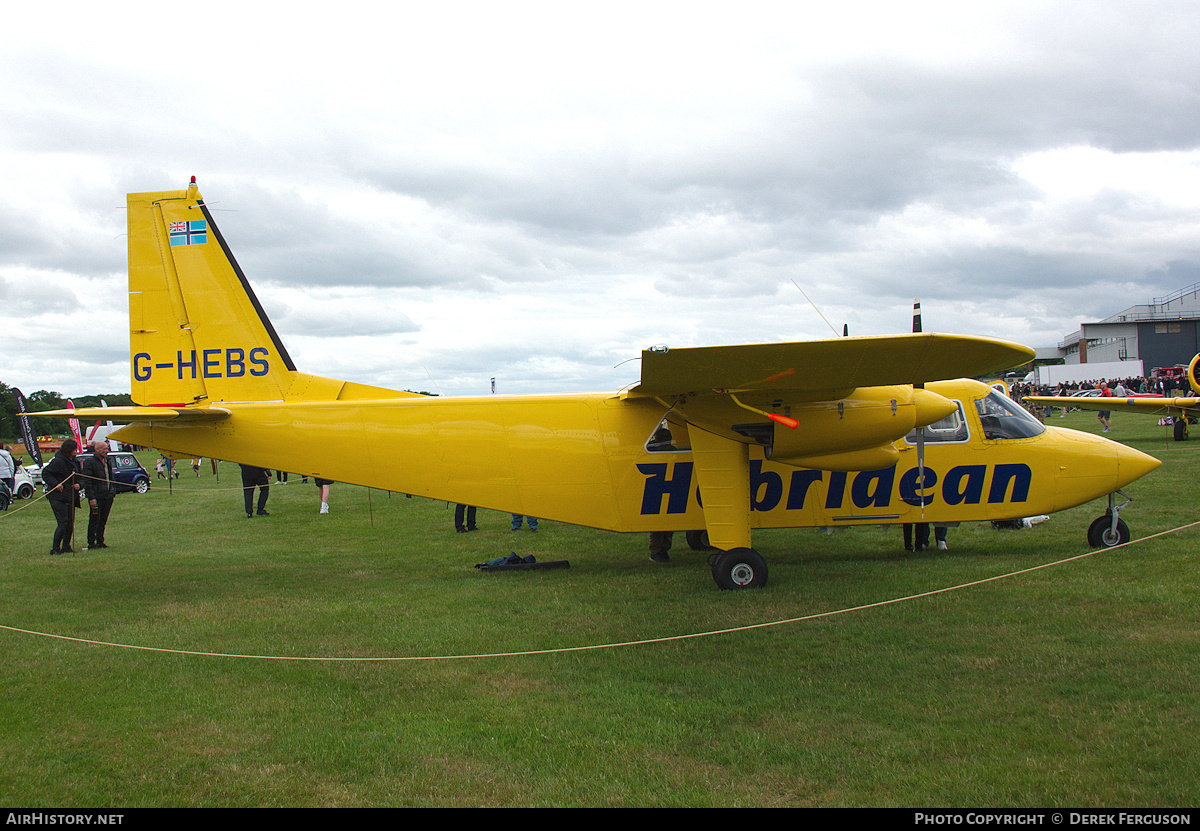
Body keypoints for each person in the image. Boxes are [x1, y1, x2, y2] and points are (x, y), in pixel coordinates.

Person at [42, 439, 81, 555]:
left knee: (70, 523)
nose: (76, 451)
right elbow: (46, 473)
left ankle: (66, 546)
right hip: (57, 497)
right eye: (74, 449)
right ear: (69, 450)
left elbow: (80, 476)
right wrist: (56, 483)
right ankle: (55, 548)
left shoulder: (75, 462)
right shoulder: (58, 461)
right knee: (63, 522)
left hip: (71, 495)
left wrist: (80, 484)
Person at [80, 440, 117, 550]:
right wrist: (91, 497)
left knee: (103, 520)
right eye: (104, 449)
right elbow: (88, 482)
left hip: (108, 495)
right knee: (94, 519)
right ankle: (91, 542)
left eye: (107, 448)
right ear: (97, 450)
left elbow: (110, 477)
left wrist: (112, 490)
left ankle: (100, 540)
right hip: (96, 496)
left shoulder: (108, 461)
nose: (107, 451)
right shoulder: (89, 462)